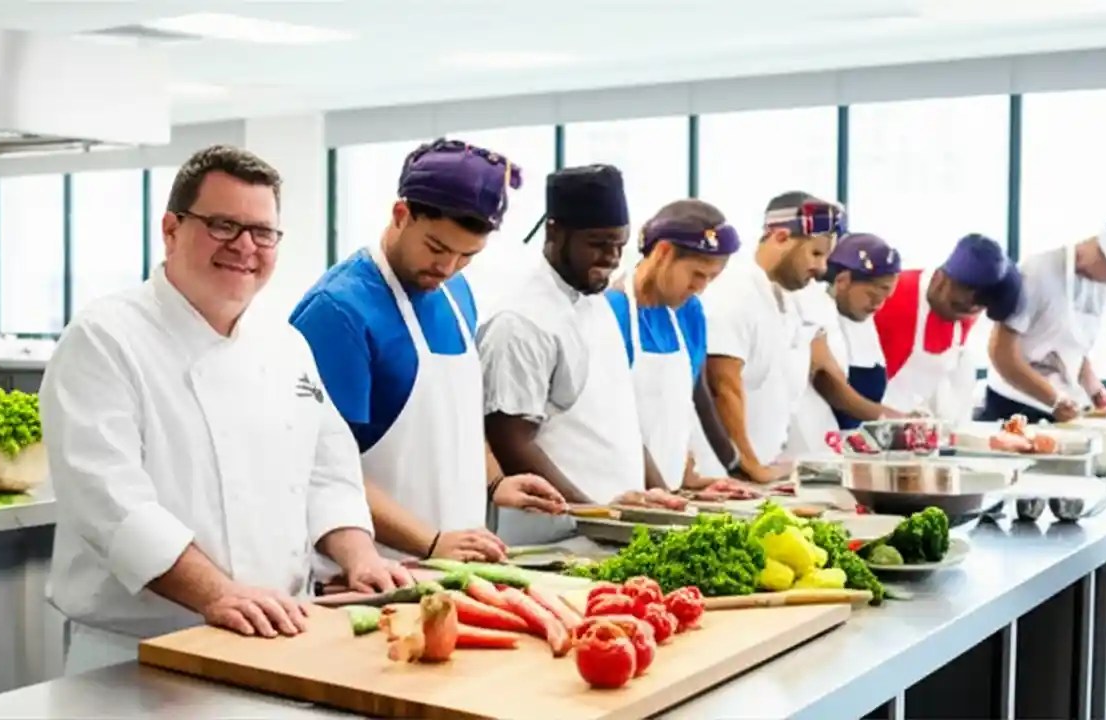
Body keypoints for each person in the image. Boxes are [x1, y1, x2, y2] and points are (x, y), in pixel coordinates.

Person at [39, 146, 410, 675]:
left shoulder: (286, 344)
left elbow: (327, 472)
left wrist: (362, 559)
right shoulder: (103, 339)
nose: (244, 246)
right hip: (141, 652)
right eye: (222, 225)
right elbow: (111, 504)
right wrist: (218, 593)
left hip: (278, 632)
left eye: (262, 232)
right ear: (170, 229)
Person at [287, 138, 565, 564]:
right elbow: (321, 467)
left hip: (455, 561)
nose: (448, 267)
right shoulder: (338, 312)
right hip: (372, 573)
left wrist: (493, 484)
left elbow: (456, 422)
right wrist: (430, 541)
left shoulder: (456, 294)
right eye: (436, 248)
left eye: (466, 255)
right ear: (401, 215)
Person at [478, 164, 680, 545]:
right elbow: (511, 442)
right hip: (553, 540)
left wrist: (665, 497)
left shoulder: (596, 302)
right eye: (599, 243)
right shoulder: (520, 320)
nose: (611, 257)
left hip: (613, 530)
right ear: (555, 231)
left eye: (619, 245)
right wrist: (596, 515)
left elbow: (620, 422)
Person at [702, 191, 844, 483]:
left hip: (759, 472)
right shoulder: (733, 292)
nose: (822, 268)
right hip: (724, 476)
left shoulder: (785, 298)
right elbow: (722, 387)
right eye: (815, 253)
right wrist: (750, 466)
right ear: (780, 237)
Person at [603, 199, 742, 487]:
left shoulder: (689, 314)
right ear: (663, 252)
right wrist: (660, 489)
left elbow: (679, 406)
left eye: (711, 278)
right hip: (617, 493)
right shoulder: (609, 312)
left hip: (666, 494)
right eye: (696, 274)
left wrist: (688, 475)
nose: (700, 288)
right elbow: (608, 422)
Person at [984, 220, 1106, 423]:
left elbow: (1072, 346)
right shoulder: (1038, 271)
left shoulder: (1097, 285)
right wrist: (1053, 398)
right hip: (1012, 403)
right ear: (1102, 255)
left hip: (1058, 405)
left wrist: (1095, 390)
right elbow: (1000, 352)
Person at [873, 233, 1023, 423]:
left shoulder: (967, 313)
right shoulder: (892, 298)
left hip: (917, 423)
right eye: (957, 305)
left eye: (979, 306)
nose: (967, 312)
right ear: (939, 278)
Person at [787, 232, 906, 453]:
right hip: (805, 447)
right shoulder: (813, 305)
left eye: (885, 298)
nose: (878, 305)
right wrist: (892, 418)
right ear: (842, 281)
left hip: (843, 450)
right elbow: (829, 384)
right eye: (872, 295)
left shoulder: (862, 318)